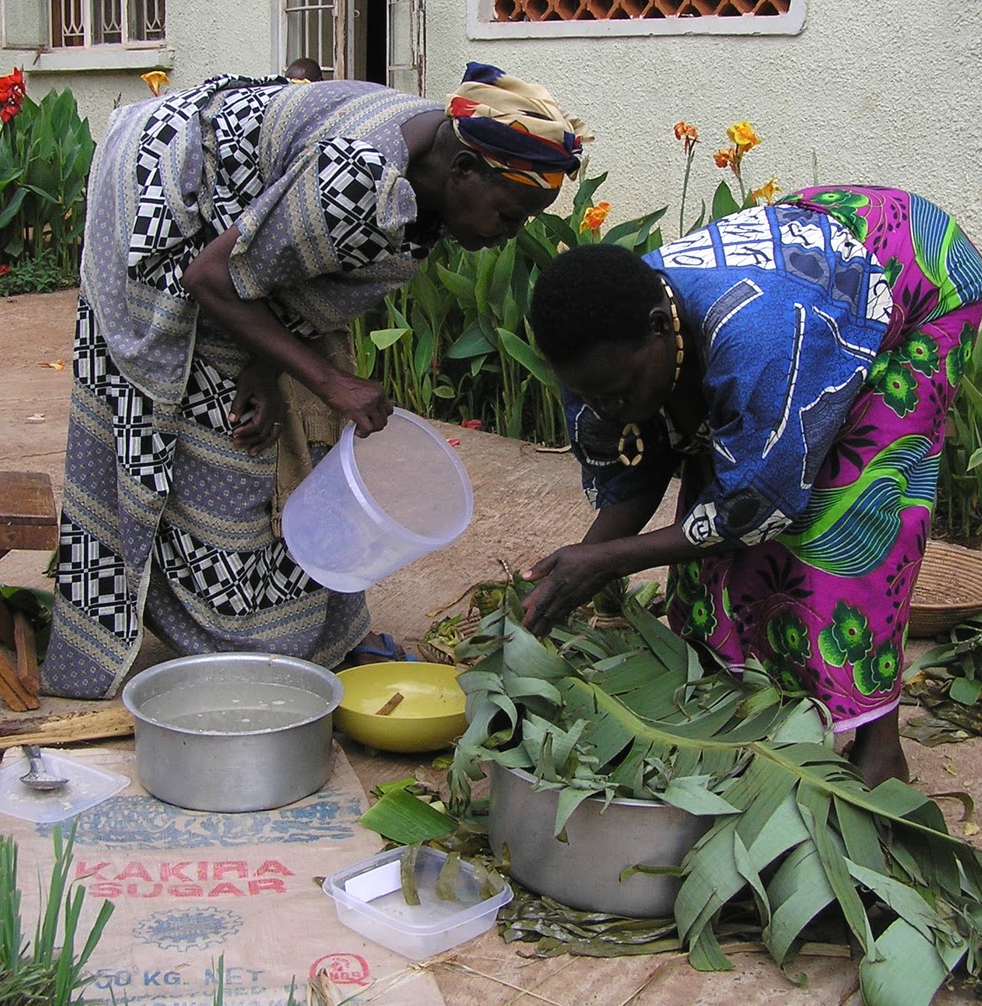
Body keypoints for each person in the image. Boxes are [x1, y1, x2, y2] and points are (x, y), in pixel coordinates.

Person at [41, 63, 590, 699]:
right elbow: (210, 279)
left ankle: (304, 624)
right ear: (464, 172)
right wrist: (328, 381)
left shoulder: (436, 156)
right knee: (205, 429)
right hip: (162, 195)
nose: (509, 233)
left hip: (231, 231)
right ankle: (223, 632)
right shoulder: (357, 184)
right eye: (508, 214)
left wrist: (270, 362)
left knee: (272, 419)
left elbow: (294, 268)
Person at [520, 186, 982, 787]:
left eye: (620, 389)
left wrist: (607, 561)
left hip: (920, 274)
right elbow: (633, 464)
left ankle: (879, 744)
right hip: (814, 253)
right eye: (593, 396)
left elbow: (757, 505)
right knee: (715, 492)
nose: (611, 406)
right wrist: (577, 570)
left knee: (844, 515)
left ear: (662, 329)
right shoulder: (596, 346)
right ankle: (728, 680)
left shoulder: (765, 337)